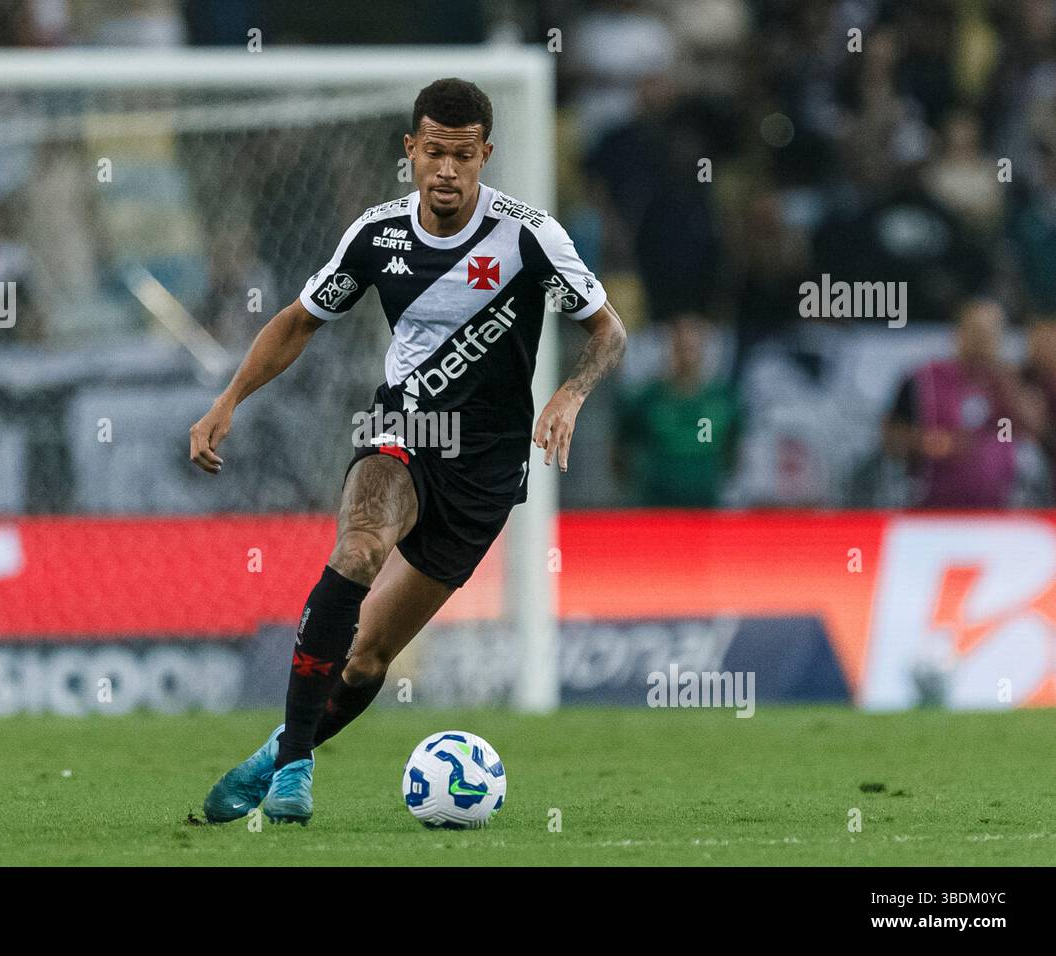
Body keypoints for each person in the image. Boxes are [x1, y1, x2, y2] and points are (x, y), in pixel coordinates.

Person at [188, 78, 626, 824]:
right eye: (433, 152)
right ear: (410, 152)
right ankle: (296, 771)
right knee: (357, 551)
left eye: (462, 154)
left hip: (486, 469)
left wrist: (570, 392)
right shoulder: (376, 234)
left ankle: (279, 750)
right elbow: (298, 321)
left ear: (485, 154)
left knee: (367, 659)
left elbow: (609, 330)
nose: (447, 169)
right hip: (404, 430)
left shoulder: (528, 236)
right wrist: (229, 399)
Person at [884, 298, 1038, 507]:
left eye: (990, 332)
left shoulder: (1009, 381)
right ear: (958, 333)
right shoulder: (923, 379)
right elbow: (890, 436)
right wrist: (923, 442)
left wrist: (1008, 388)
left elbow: (1035, 430)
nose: (982, 340)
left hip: (1000, 514)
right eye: (976, 331)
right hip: (932, 508)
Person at [613, 314, 739, 507]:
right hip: (658, 507)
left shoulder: (722, 398)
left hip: (707, 508)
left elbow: (734, 450)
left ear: (703, 349)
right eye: (681, 347)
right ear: (670, 348)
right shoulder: (648, 398)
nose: (687, 355)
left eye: (692, 347)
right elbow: (621, 448)